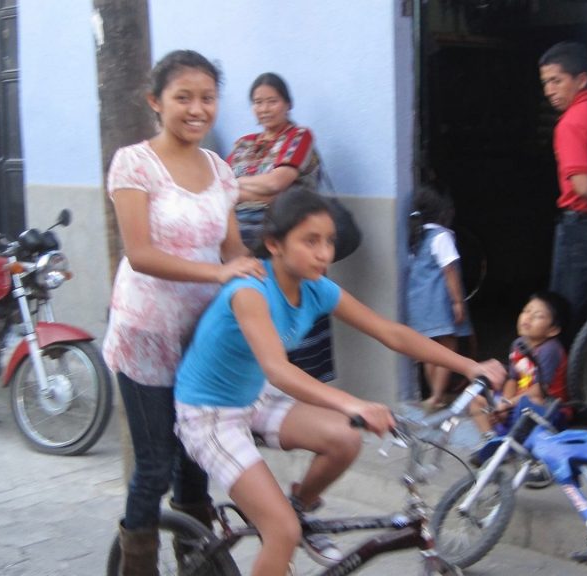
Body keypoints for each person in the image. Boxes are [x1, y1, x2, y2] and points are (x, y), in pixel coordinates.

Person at [174, 190, 505, 576]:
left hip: (254, 395)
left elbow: (389, 332)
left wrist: (469, 366)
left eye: (329, 241)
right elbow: (278, 369)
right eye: (310, 241)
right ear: (274, 244)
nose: (324, 254)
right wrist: (354, 404)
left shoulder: (315, 288)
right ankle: (289, 525)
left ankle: (300, 506)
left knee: (345, 439)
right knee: (281, 532)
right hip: (210, 412)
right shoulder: (250, 290)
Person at [103, 49, 265, 575]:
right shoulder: (134, 163)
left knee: (196, 463)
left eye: (208, 98)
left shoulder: (220, 170)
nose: (198, 109)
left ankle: (196, 564)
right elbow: (140, 254)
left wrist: (269, 275)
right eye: (184, 97)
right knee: (154, 466)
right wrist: (219, 274)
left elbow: (232, 250)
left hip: (203, 338)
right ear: (156, 101)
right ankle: (138, 567)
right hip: (146, 334)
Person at [226, 72, 335, 382]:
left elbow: (277, 183)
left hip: (290, 240)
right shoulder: (244, 144)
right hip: (244, 247)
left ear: (287, 103)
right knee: (259, 313)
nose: (264, 108)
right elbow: (218, 183)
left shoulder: (299, 138)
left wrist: (236, 186)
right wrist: (251, 189)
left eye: (271, 101)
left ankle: (310, 388)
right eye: (257, 102)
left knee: (298, 309)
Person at [540, 41, 587, 343]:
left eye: (556, 81)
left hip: (579, 226)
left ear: (581, 79)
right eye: (546, 83)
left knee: (561, 311)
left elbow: (582, 186)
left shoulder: (572, 121)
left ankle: (555, 371)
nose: (549, 90)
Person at [469, 291, 570, 444]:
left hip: (548, 409)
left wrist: (508, 404)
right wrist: (504, 402)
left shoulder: (550, 349)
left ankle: (516, 442)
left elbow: (540, 390)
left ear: (553, 330)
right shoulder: (518, 344)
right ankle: (491, 440)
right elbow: (512, 379)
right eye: (526, 311)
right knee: (476, 398)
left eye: (538, 316)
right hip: (517, 402)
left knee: (531, 402)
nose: (528, 317)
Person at [405, 186, 474, 410]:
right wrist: (457, 301)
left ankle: (433, 395)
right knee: (447, 348)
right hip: (439, 302)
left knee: (429, 351)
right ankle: (436, 395)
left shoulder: (415, 237)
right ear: (444, 212)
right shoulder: (442, 236)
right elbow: (449, 270)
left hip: (418, 303)